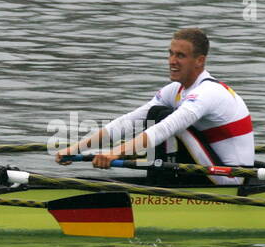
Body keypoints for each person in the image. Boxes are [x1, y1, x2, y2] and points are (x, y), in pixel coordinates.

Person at [54, 28, 253, 185]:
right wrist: (76, 148)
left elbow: (165, 128)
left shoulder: (208, 92)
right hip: (207, 166)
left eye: (180, 56)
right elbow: (127, 122)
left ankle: (161, 186)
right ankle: (162, 181)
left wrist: (115, 153)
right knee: (155, 113)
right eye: (171, 54)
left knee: (165, 120)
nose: (172, 61)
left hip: (231, 177)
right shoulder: (174, 90)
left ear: (200, 61)